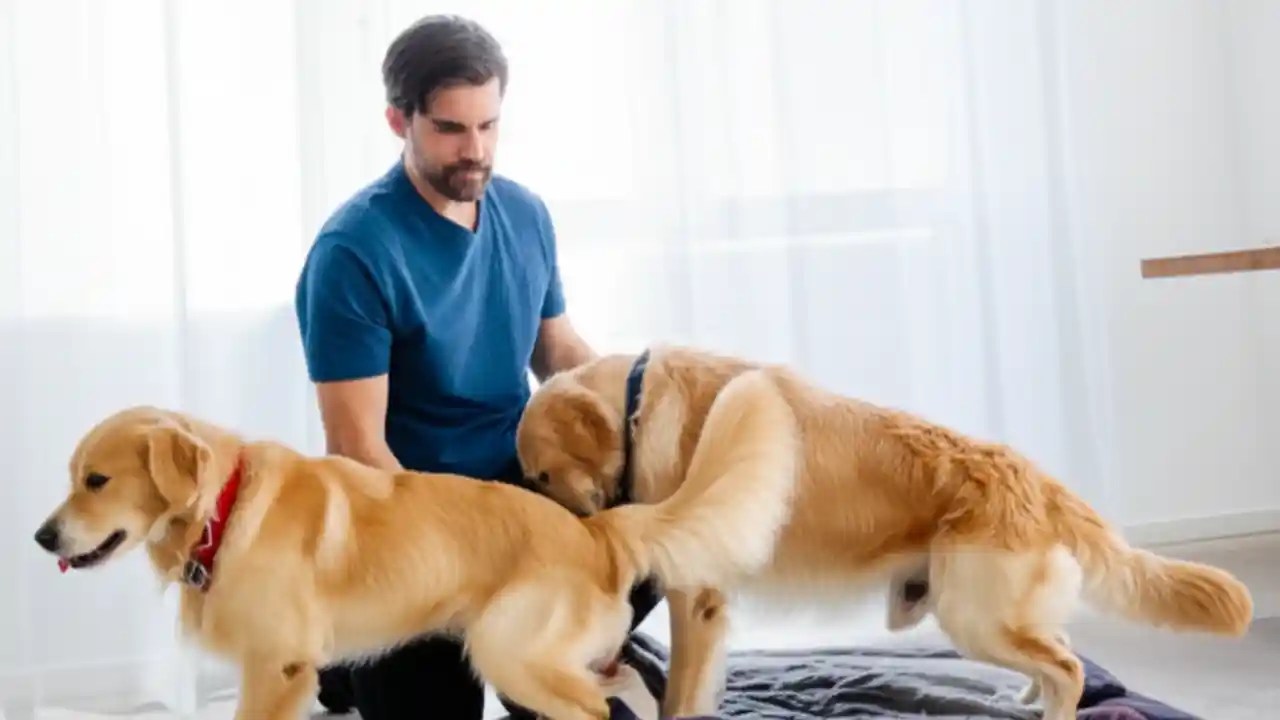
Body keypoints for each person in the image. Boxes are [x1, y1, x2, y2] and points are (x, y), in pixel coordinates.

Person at [293, 13, 660, 720]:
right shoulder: (353, 251)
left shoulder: (523, 214)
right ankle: (341, 656)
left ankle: (558, 649)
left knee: (663, 536)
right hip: (414, 524)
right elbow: (358, 449)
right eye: (452, 130)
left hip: (520, 493)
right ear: (399, 121)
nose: (477, 151)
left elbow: (560, 355)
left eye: (489, 126)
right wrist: (468, 568)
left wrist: (648, 399)